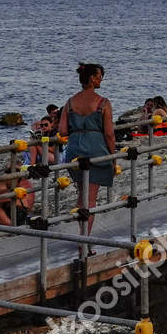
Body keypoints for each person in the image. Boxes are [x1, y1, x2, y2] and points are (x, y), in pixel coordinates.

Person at [57, 62, 116, 251]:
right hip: (95, 148)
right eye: (99, 76)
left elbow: (62, 130)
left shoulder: (70, 102)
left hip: (74, 149)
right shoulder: (103, 102)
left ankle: (82, 232)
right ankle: (84, 241)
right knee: (91, 198)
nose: (101, 80)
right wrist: (113, 158)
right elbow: (109, 134)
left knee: (82, 193)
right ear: (92, 78)